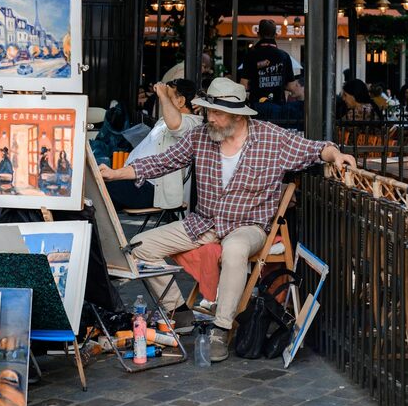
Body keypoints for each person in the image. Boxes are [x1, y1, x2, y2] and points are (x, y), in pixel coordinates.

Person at [99, 77, 355, 363]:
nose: (210, 118)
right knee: (138, 246)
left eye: (217, 113)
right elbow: (163, 161)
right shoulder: (201, 136)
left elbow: (316, 149)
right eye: (208, 111)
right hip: (205, 222)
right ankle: (179, 310)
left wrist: (337, 155)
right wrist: (116, 173)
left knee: (234, 250)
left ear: (236, 115)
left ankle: (221, 328)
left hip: (248, 225)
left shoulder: (271, 138)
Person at [107, 79, 202, 211]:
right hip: (137, 179)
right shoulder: (166, 120)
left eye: (168, 97)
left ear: (181, 101)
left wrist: (163, 94)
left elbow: (176, 125)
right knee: (97, 190)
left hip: (151, 188)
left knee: (102, 192)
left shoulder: (192, 123)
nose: (163, 101)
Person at [239, 19, 301, 107]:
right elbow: (291, 86)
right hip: (278, 107)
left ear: (258, 34)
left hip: (257, 107)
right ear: (276, 35)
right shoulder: (284, 56)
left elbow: (243, 85)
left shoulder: (250, 56)